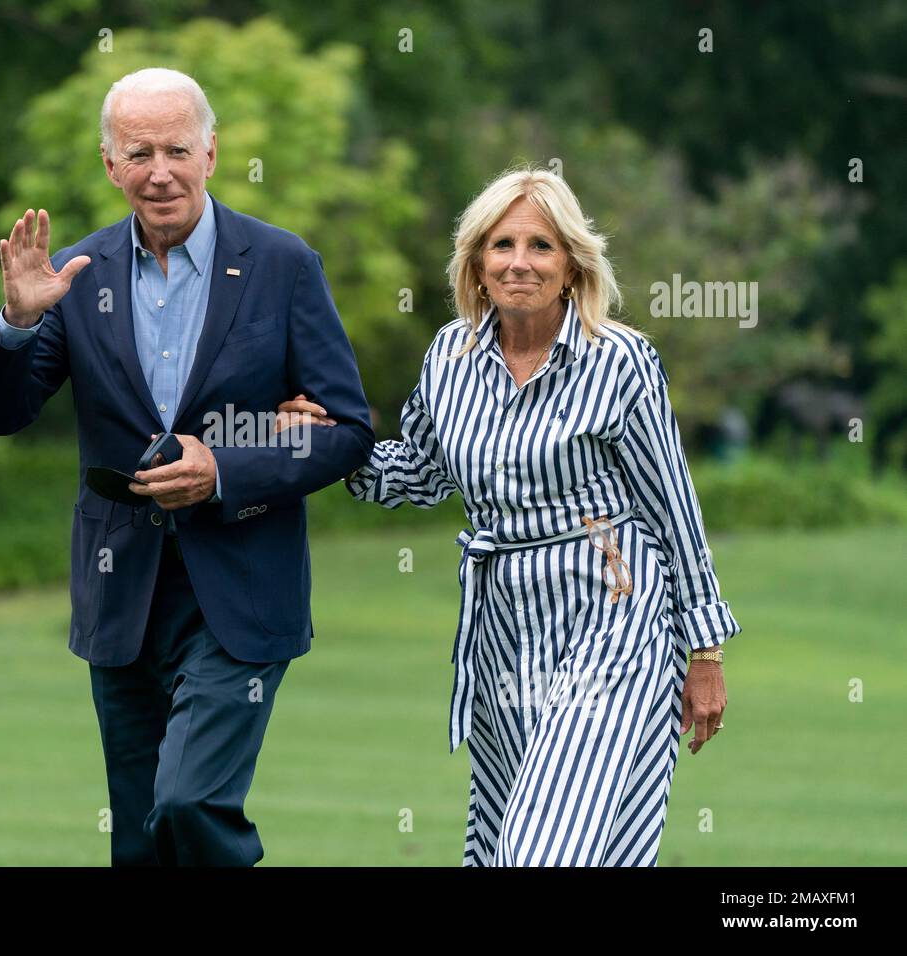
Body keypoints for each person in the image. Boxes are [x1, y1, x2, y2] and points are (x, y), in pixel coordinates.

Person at [0, 68, 373, 866]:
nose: (160, 171)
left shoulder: (284, 265)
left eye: (177, 149)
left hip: (242, 588)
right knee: (141, 839)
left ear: (211, 153)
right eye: (138, 152)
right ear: (110, 165)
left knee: (188, 803)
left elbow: (347, 428)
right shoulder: (70, 279)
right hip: (122, 591)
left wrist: (222, 465)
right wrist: (15, 323)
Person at [280, 166, 740, 866]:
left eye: (541, 246)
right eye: (501, 245)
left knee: (541, 847)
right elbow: (420, 474)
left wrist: (704, 651)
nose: (519, 262)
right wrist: (330, 447)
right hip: (502, 626)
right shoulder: (449, 356)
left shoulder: (620, 361)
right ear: (476, 263)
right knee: (521, 844)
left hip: (614, 616)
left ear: (572, 265)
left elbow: (672, 506)